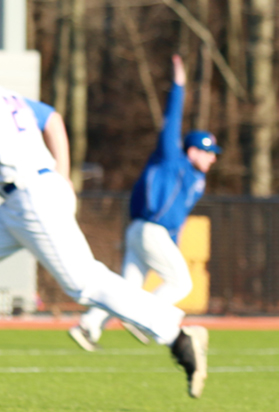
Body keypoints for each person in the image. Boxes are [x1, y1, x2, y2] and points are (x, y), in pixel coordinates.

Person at [0, 36, 208, 399]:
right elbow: (53, 119)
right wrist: (62, 176)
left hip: (30, 195)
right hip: (25, 197)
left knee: (84, 283)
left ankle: (176, 335)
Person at [69, 54, 218, 364]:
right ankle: (144, 316)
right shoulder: (171, 158)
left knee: (125, 288)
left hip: (147, 231)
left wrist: (174, 242)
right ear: (192, 150)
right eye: (207, 151)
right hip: (149, 229)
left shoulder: (197, 180)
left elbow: (178, 219)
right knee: (181, 283)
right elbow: (172, 123)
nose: (212, 157)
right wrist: (179, 86)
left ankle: (87, 326)